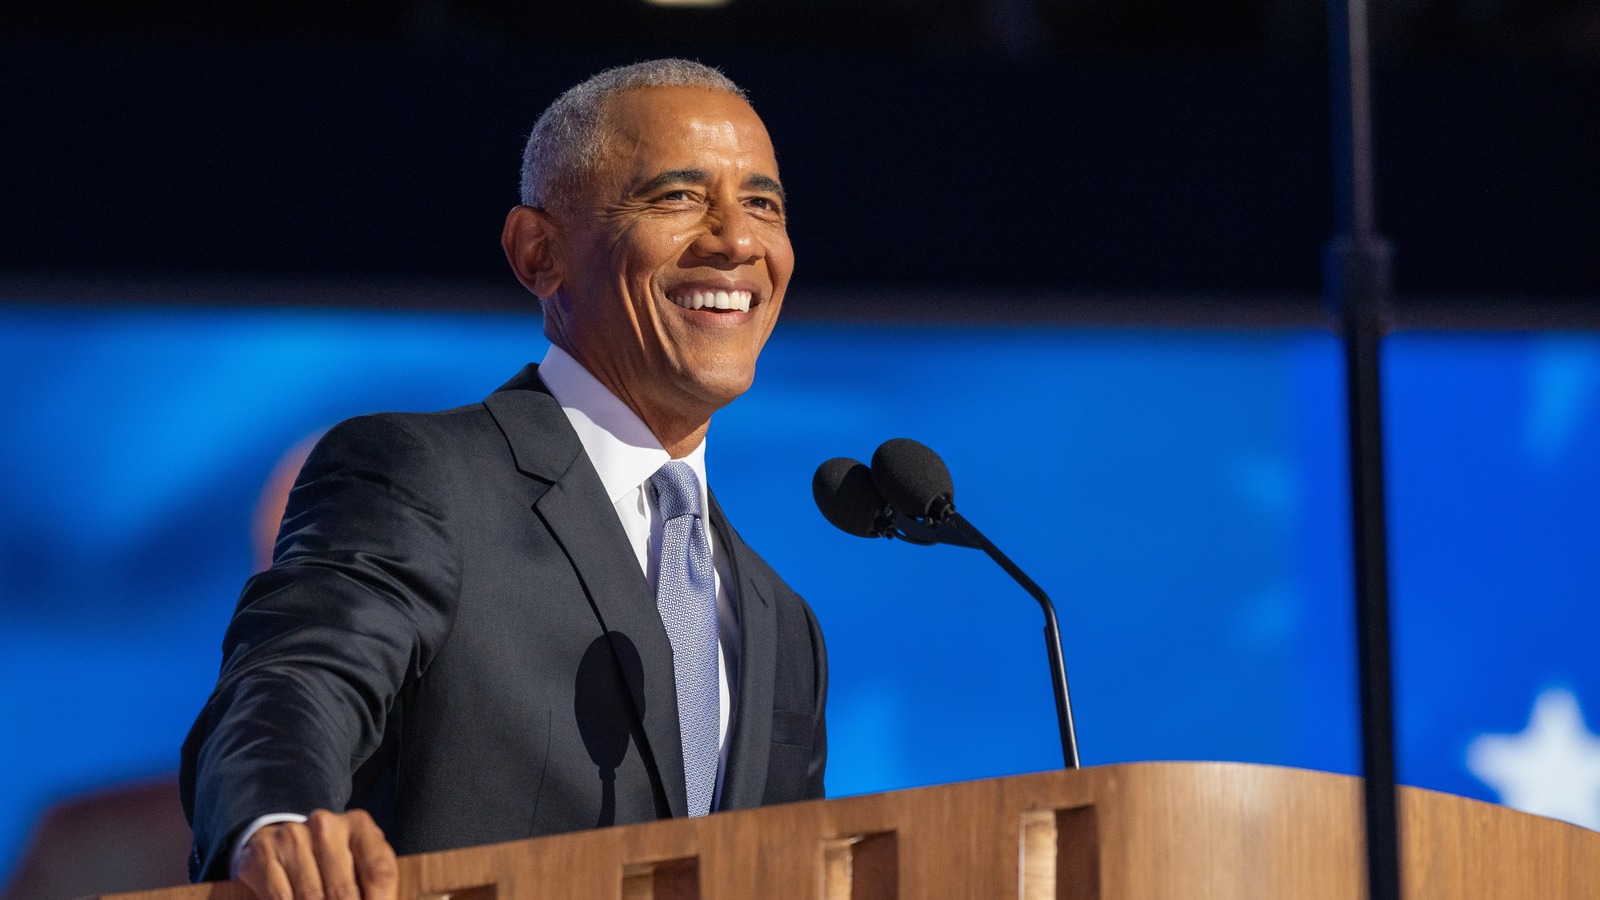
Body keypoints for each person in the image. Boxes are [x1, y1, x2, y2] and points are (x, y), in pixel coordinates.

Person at [179, 59, 827, 900]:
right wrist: (282, 822)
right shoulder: (422, 479)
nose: (738, 240)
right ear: (539, 253)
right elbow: (293, 680)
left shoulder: (784, 624)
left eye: (763, 204)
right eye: (677, 197)